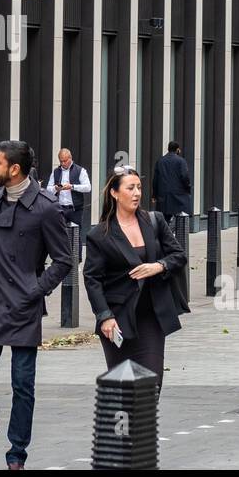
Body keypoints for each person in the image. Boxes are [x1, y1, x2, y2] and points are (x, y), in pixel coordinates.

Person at [0, 140, 73, 470]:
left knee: (23, 384)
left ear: (14, 169)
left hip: (23, 307)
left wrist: (36, 290)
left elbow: (64, 260)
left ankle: (16, 454)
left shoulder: (47, 207)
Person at [83, 166, 189, 392]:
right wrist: (104, 317)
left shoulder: (154, 221)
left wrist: (158, 266)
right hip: (118, 320)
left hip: (151, 316)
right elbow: (92, 279)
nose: (137, 193)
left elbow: (179, 256)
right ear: (114, 193)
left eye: (139, 188)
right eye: (130, 188)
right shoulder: (99, 235)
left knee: (151, 385)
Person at [41, 148, 91, 240]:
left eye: (65, 161)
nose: (63, 163)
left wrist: (72, 187)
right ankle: (63, 255)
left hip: (75, 209)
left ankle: (76, 255)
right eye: (61, 161)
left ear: (70, 158)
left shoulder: (80, 170)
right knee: (59, 236)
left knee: (76, 237)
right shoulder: (56, 171)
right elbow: (48, 189)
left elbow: (88, 187)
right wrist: (55, 189)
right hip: (60, 209)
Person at [152, 141, 194, 218]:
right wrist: (188, 187)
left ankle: (167, 229)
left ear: (168, 149)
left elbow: (155, 179)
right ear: (177, 149)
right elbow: (184, 176)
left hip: (164, 195)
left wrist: (154, 195)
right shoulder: (181, 161)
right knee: (181, 218)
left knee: (164, 218)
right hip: (179, 194)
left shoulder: (160, 161)